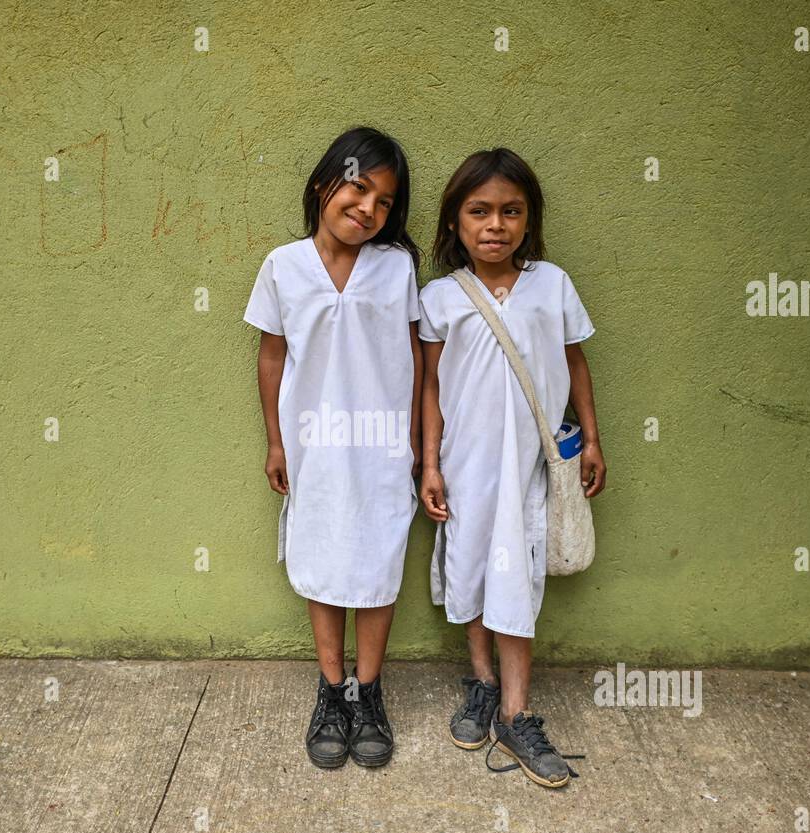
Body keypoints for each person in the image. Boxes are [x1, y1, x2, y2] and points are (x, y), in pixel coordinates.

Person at [418, 147, 606, 788]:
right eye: (479, 211)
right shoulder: (440, 297)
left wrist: (594, 443)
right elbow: (430, 388)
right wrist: (430, 464)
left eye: (510, 211)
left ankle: (516, 714)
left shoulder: (551, 285)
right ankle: (482, 684)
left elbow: (576, 364)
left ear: (529, 220)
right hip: (466, 465)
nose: (495, 224)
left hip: (531, 465)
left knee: (519, 580)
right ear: (454, 223)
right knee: (470, 568)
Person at [243, 127, 423, 770]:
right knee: (321, 556)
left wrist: (419, 447)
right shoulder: (282, 266)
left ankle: (367, 693)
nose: (368, 209)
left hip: (381, 445)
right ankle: (331, 690)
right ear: (324, 183)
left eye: (384, 202)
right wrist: (276, 441)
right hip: (313, 441)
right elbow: (271, 357)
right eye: (358, 187)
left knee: (377, 561)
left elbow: (414, 360)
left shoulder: (396, 267)